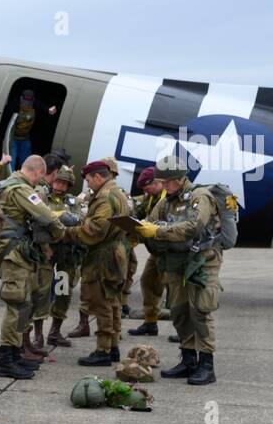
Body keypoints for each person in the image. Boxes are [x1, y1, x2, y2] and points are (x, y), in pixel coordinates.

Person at [135, 154, 225, 385]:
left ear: (178, 178)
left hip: (203, 261)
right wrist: (140, 228)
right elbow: (151, 220)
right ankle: (188, 360)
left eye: (166, 182)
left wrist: (158, 232)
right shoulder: (166, 202)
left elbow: (194, 226)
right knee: (179, 311)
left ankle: (207, 365)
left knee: (200, 311)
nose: (162, 187)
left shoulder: (199, 197)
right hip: (177, 262)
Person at [0, 155, 68, 378]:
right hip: (14, 255)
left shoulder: (11, 186)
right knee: (16, 307)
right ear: (37, 173)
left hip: (16, 254)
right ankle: (5, 361)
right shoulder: (21, 190)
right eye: (39, 179)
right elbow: (45, 215)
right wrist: (60, 231)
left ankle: (14, 356)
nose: (38, 183)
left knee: (22, 305)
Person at [62, 159, 131, 366]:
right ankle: (113, 347)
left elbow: (96, 230)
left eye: (89, 180)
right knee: (114, 303)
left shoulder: (105, 197)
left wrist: (67, 233)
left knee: (102, 304)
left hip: (104, 257)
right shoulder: (117, 193)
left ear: (99, 177)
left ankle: (103, 350)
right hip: (115, 253)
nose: (88, 184)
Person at [42, 163, 84, 347]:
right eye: (57, 182)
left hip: (67, 253)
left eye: (63, 184)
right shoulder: (42, 197)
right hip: (47, 252)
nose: (59, 186)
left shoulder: (74, 202)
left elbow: (79, 220)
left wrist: (59, 216)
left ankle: (55, 331)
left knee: (63, 290)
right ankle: (36, 333)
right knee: (42, 291)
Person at [127, 166, 167, 337]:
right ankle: (150, 322)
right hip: (157, 251)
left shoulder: (168, 199)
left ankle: (186, 332)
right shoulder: (152, 197)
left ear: (157, 182)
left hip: (170, 251)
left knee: (178, 291)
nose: (145, 192)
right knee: (148, 281)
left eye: (147, 188)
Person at [7, 89, 58, 172]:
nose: (26, 104)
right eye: (25, 101)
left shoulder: (36, 105)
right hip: (13, 138)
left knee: (26, 162)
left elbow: (43, 108)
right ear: (21, 99)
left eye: (29, 102)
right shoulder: (14, 105)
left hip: (25, 139)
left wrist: (49, 110)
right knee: (10, 162)